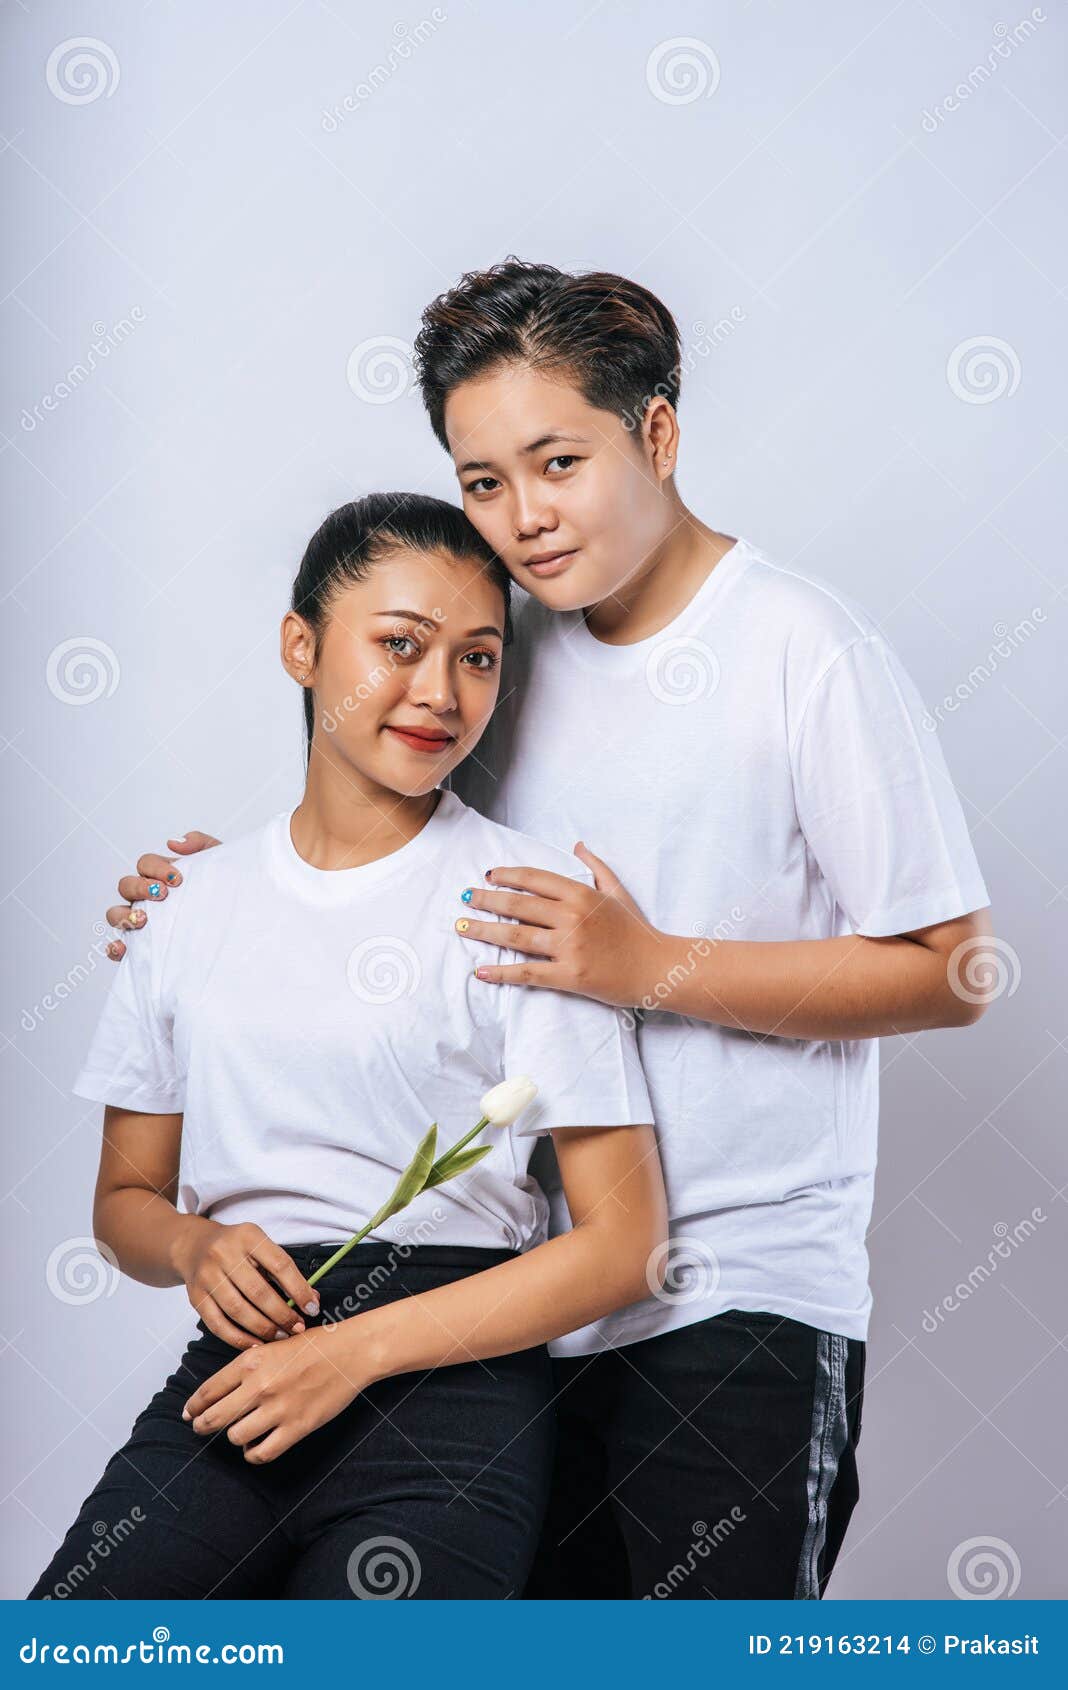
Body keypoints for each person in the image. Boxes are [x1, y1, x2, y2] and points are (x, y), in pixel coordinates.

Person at [103, 261, 996, 1600]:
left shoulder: (802, 650)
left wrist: (652, 968)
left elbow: (953, 968)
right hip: (513, 1310)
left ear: (658, 434)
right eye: (480, 480)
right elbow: (392, 832)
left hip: (737, 1297)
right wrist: (215, 888)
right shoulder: (503, 652)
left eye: (556, 461)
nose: (521, 517)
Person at [30, 492, 665, 1601]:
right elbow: (124, 1202)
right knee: (70, 1649)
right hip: (245, 1371)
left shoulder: (520, 902)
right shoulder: (186, 902)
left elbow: (622, 1244)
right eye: (400, 644)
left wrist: (355, 1351)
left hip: (455, 1392)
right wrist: (191, 1249)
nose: (440, 693)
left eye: (478, 657)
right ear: (301, 646)